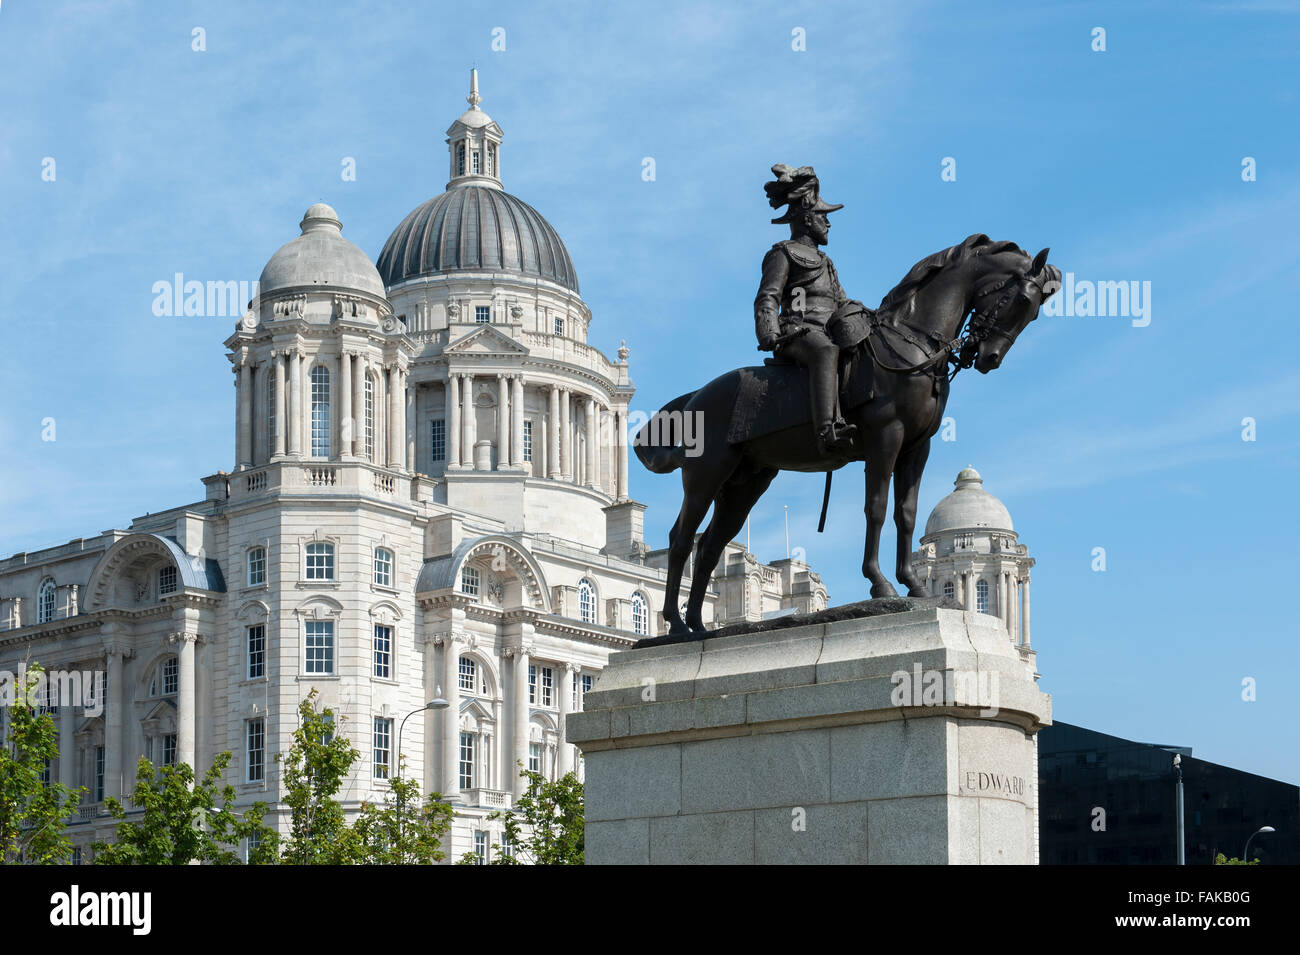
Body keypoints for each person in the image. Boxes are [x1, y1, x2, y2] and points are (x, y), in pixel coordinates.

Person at [754, 164, 858, 453]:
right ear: (808, 218)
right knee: (825, 351)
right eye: (823, 216)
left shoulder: (826, 262)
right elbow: (767, 296)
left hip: (829, 330)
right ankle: (827, 430)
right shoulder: (783, 253)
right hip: (797, 332)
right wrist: (769, 332)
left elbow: (840, 300)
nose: (828, 223)